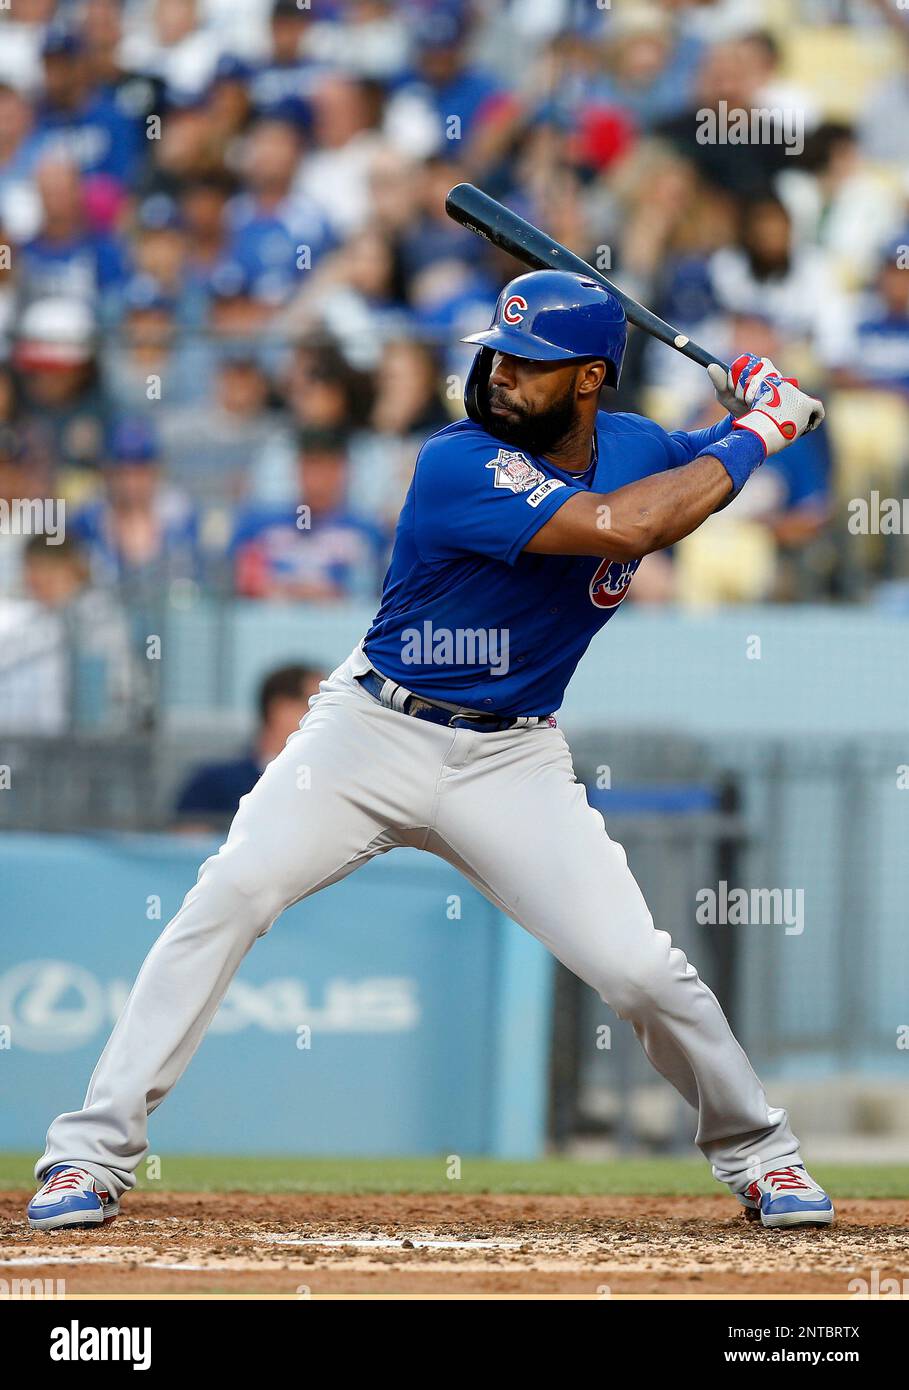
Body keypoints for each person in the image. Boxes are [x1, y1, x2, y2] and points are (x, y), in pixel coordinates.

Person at [28, 270, 834, 1232]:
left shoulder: (634, 446)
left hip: (512, 761)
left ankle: (762, 1158)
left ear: (588, 380)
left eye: (528, 366)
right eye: (496, 355)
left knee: (641, 970)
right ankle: (89, 1155)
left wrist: (758, 412)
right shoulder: (459, 462)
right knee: (229, 894)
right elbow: (640, 521)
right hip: (371, 731)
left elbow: (694, 477)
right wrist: (762, 429)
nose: (498, 376)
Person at [173, 662, 326, 832]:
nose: (328, 718)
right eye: (315, 705)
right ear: (280, 709)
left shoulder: (331, 785)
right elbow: (186, 849)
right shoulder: (211, 783)